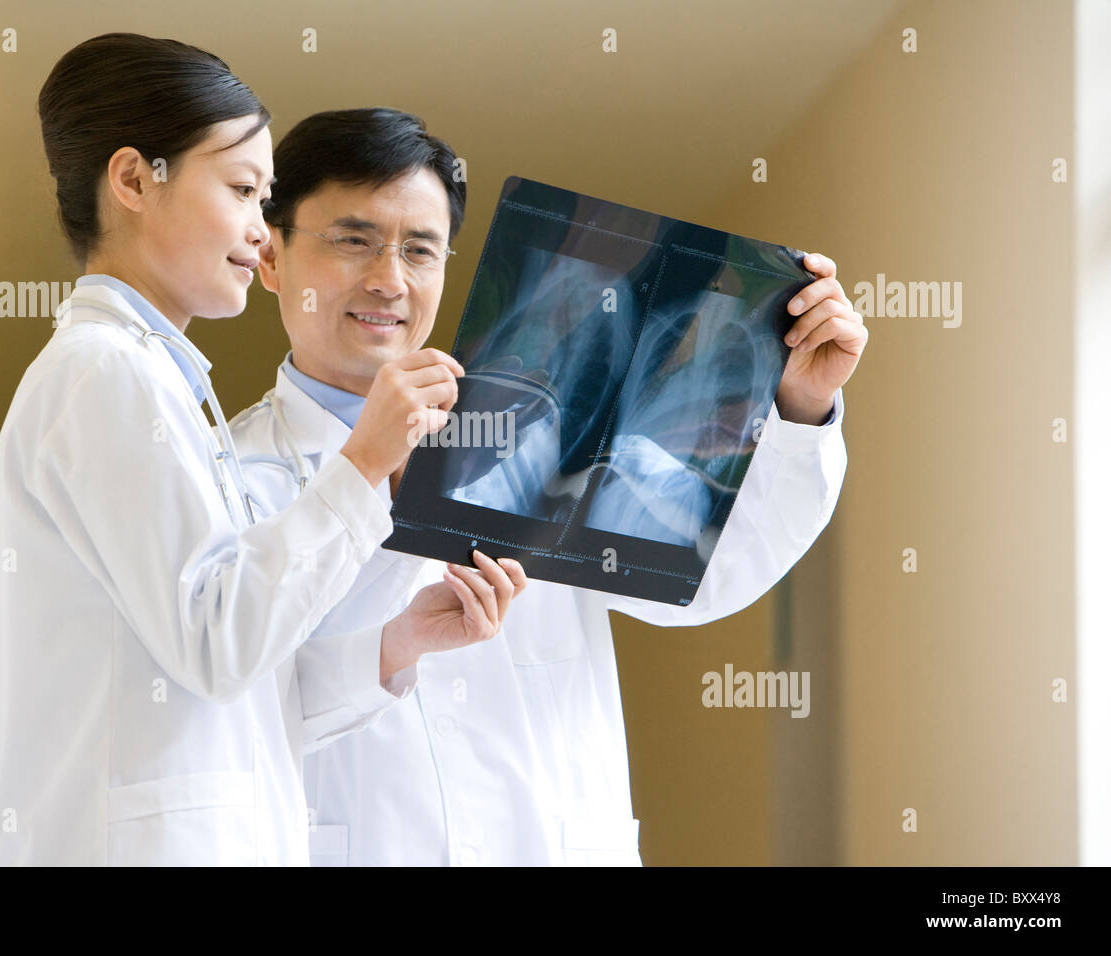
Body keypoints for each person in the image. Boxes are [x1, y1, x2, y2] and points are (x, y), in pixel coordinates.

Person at [232, 107, 866, 865]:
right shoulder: (226, 477)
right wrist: (390, 619)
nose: (389, 281)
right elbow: (228, 715)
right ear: (271, 257)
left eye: (420, 250)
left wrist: (801, 406)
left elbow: (709, 577)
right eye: (352, 239)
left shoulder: (538, 437)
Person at [0, 36, 525, 866]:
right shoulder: (103, 373)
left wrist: (397, 643)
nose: (257, 231)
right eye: (240, 191)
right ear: (133, 180)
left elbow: (246, 685)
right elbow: (219, 643)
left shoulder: (153, 379)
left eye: (264, 198)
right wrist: (365, 463)